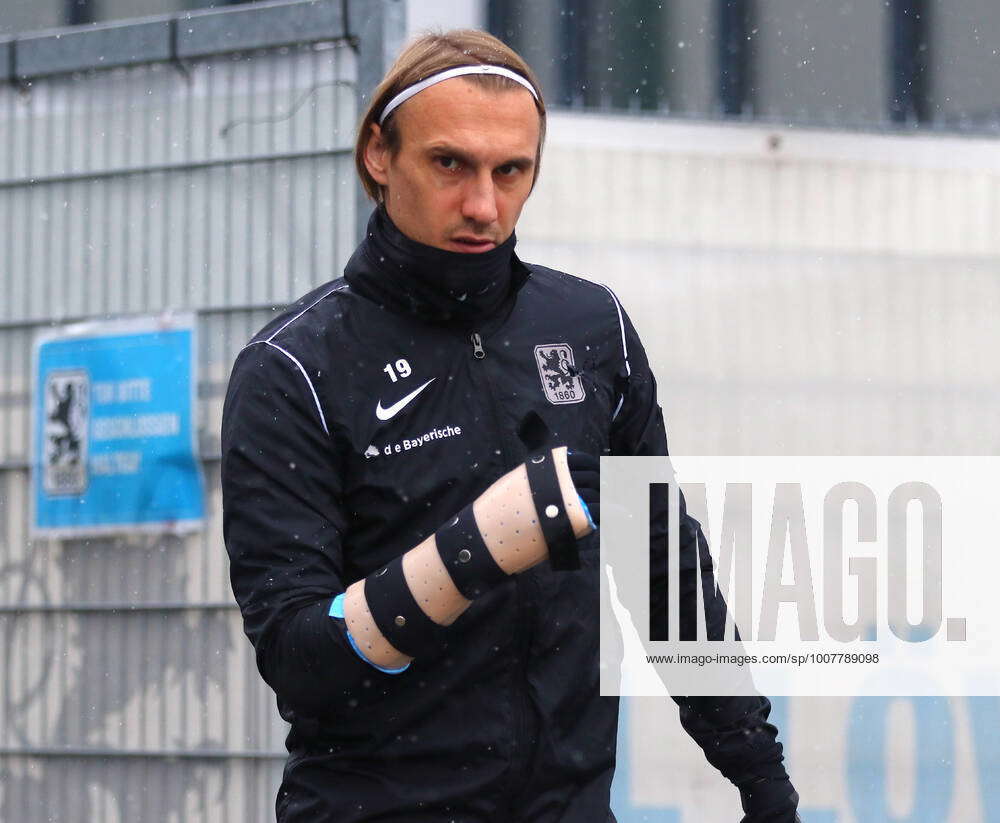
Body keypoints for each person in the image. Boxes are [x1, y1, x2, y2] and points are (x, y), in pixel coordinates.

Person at [221, 29, 800, 823]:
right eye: (450, 163)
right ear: (378, 156)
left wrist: (762, 780)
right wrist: (479, 547)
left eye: (511, 170)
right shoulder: (293, 370)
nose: (483, 205)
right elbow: (299, 660)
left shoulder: (594, 330)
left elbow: (666, 573)